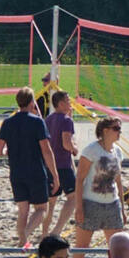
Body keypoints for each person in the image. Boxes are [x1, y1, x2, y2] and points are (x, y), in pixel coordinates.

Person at [0, 87, 60, 250]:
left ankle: (22, 242)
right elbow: (46, 150)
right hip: (36, 170)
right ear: (32, 102)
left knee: (23, 210)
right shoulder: (37, 121)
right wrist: (55, 175)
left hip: (16, 171)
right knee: (41, 209)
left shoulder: (8, 122)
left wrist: (7, 151)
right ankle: (24, 236)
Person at [74, 116, 129, 248]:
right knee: (81, 248)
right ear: (105, 131)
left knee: (117, 249)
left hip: (112, 204)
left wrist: (122, 209)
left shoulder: (117, 151)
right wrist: (79, 208)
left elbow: (118, 181)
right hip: (91, 204)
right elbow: (80, 179)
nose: (119, 132)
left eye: (120, 129)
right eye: (116, 128)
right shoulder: (91, 150)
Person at [43, 91, 80, 237]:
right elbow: (66, 143)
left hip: (49, 165)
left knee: (50, 203)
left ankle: (45, 233)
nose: (70, 102)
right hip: (63, 165)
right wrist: (74, 148)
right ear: (60, 103)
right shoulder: (66, 120)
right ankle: (56, 231)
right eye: (67, 100)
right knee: (73, 197)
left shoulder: (49, 119)